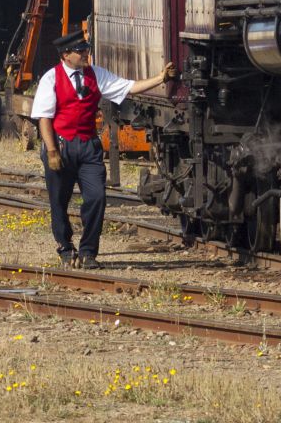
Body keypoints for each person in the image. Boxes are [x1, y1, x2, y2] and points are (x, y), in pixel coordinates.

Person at [31, 29, 175, 268]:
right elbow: (43, 118)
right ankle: (65, 247)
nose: (86, 53)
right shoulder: (51, 78)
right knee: (58, 200)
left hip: (88, 146)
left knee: (97, 197)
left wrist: (160, 79)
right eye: (80, 51)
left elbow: (128, 87)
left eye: (86, 49)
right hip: (62, 145)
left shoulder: (95, 74)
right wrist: (52, 151)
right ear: (65, 54)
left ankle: (88, 252)